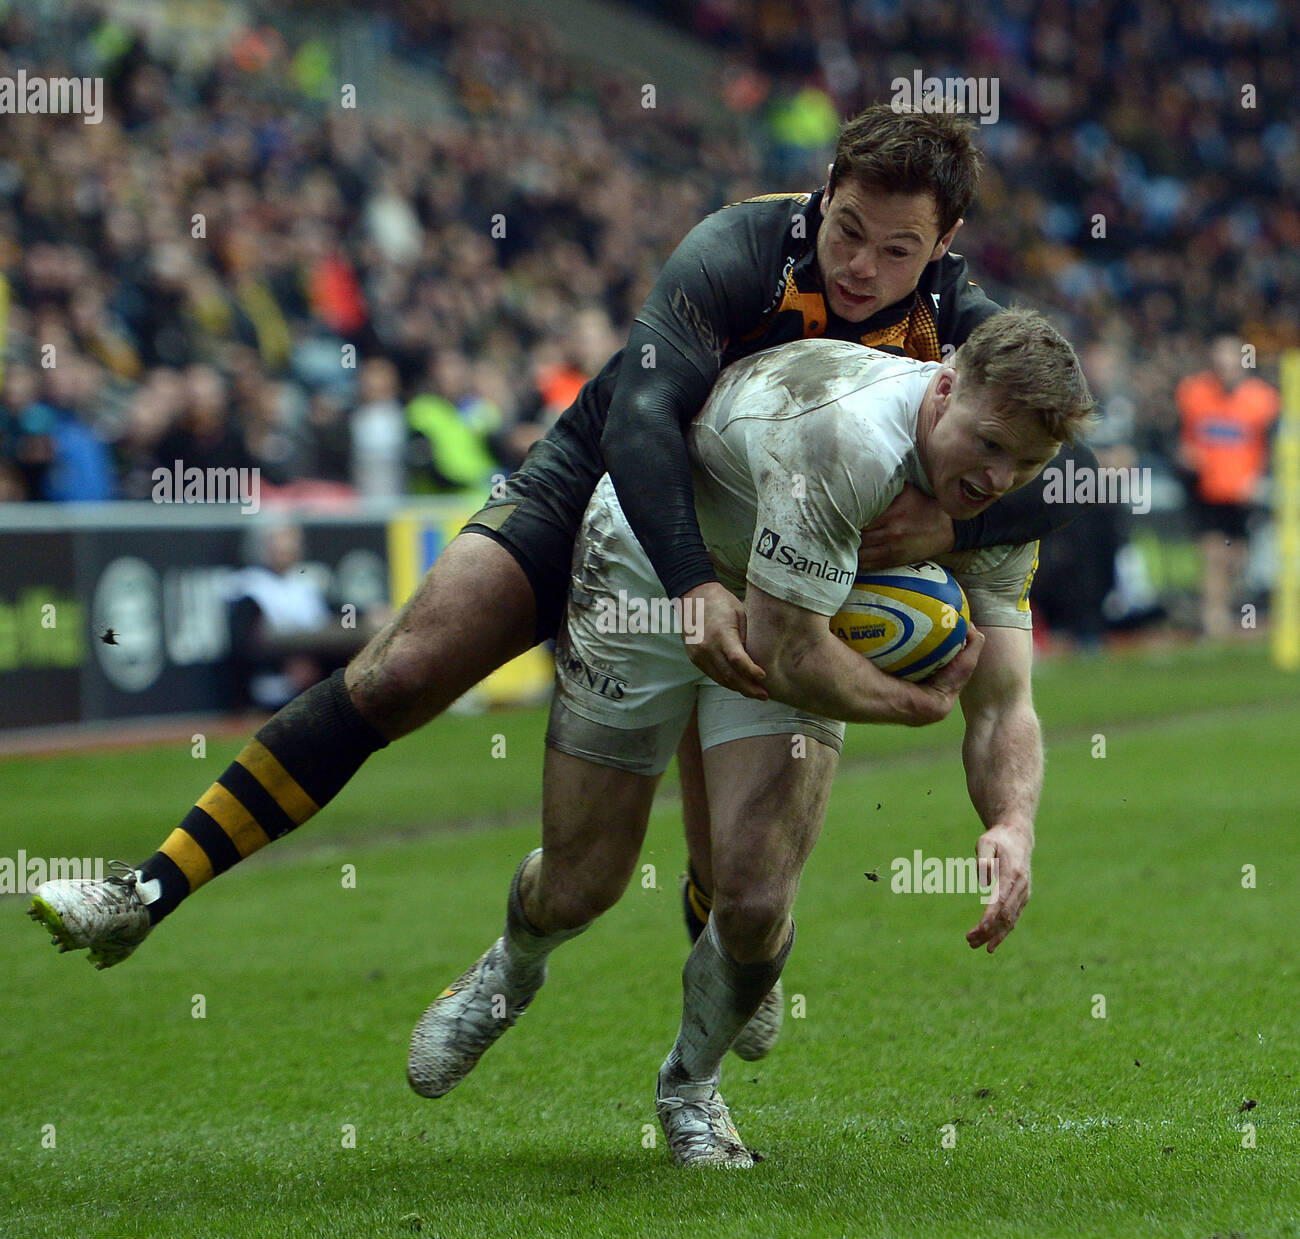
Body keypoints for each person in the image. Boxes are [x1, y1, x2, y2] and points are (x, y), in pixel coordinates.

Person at [28, 106, 1096, 977]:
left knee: (746, 856)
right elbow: (638, 421)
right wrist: (689, 582)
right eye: (847, 227)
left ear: (944, 245)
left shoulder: (965, 323)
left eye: (896, 248)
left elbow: (1073, 471)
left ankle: (706, 914)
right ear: (825, 191)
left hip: (765, 550)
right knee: (402, 669)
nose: (861, 264)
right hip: (605, 485)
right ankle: (145, 888)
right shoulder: (739, 248)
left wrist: (958, 517)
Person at [407, 309, 1093, 1167]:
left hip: (796, 599)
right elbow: (787, 653)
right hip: (654, 572)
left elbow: (1002, 703)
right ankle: (515, 962)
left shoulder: (1003, 505)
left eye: (1027, 464)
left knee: (759, 898)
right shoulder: (847, 439)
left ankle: (691, 1088)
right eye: (988, 445)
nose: (1000, 478)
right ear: (944, 385)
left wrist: (1011, 822)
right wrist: (906, 706)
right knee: (583, 881)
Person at [1175, 334, 1279, 638]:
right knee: (1213, 556)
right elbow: (1180, 436)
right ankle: (1213, 620)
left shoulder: (1263, 399)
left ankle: (1233, 616)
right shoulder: (1193, 392)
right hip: (1206, 491)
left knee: (1237, 559)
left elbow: (1273, 445)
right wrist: (1184, 455)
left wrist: (1261, 478)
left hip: (1244, 494)